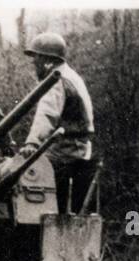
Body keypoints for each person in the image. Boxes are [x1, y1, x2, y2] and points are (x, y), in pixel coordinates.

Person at [20, 33, 96, 212]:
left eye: (36, 57)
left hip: (66, 151)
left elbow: (46, 114)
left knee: (29, 177)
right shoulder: (71, 76)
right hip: (80, 148)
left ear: (47, 60)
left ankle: (34, 230)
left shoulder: (56, 80)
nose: (33, 63)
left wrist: (32, 142)